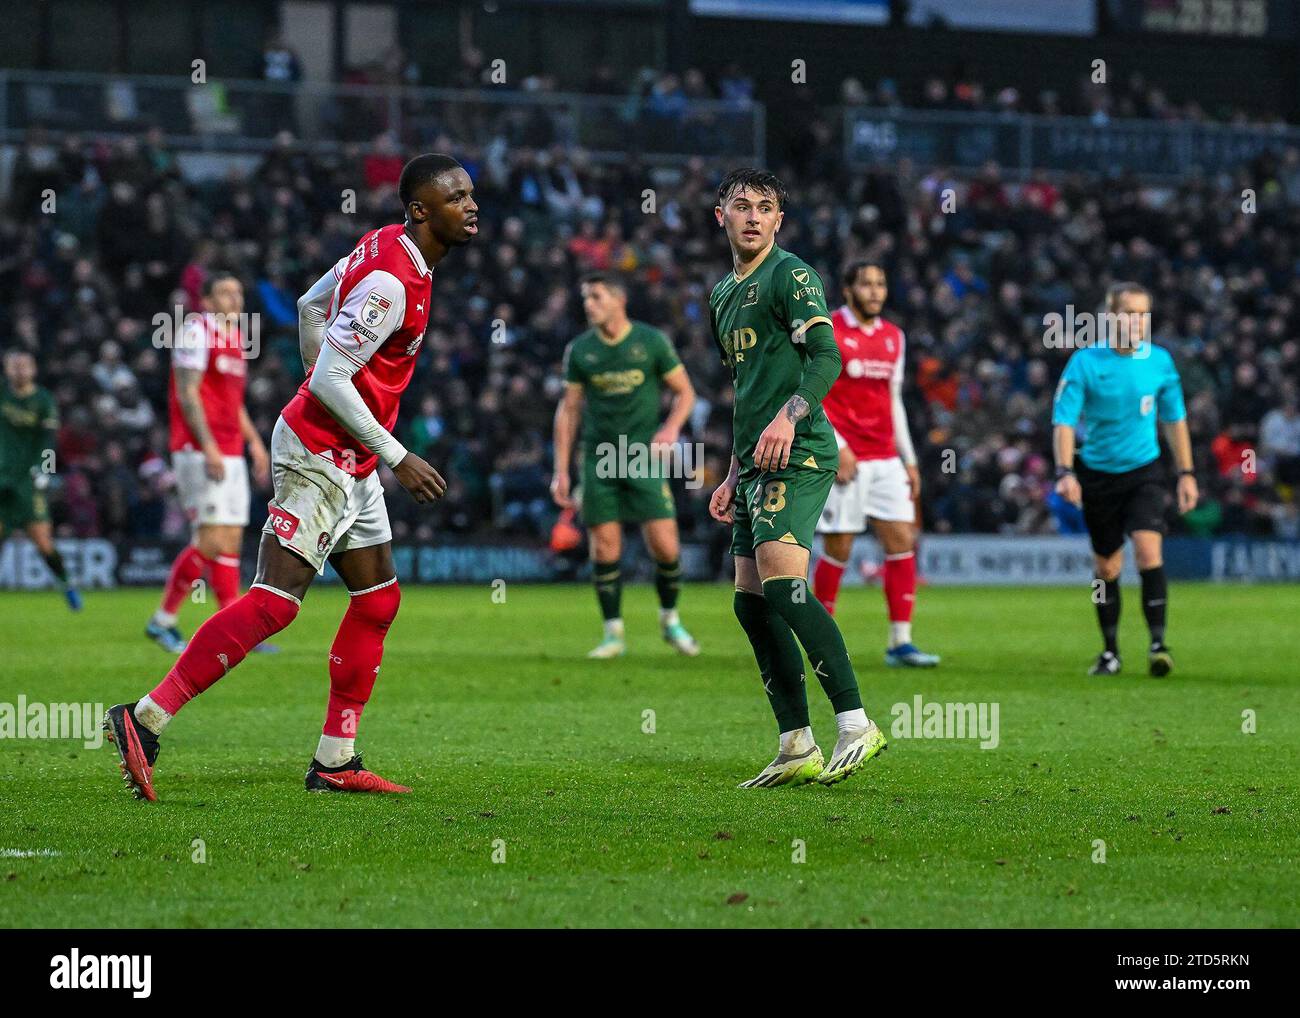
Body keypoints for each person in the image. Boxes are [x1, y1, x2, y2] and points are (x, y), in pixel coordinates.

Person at [103, 154, 478, 800]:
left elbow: (311, 304)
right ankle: (142, 719)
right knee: (276, 602)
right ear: (421, 211)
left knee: (378, 598)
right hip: (320, 453)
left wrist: (335, 402)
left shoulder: (388, 246)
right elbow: (332, 374)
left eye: (471, 194)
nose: (472, 205)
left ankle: (335, 760)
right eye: (456, 197)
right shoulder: (391, 281)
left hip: (348, 452)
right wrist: (397, 454)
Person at [706, 168, 887, 788]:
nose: (753, 216)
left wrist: (790, 416)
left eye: (766, 208)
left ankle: (857, 723)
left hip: (802, 449)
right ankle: (794, 744)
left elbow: (827, 356)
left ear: (779, 220)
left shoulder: (792, 274)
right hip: (756, 462)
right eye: (741, 206)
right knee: (750, 604)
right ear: (720, 216)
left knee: (786, 589)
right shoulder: (722, 296)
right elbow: (743, 389)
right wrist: (733, 471)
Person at [1052, 282, 1197, 677]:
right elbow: (1064, 421)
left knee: (1149, 552)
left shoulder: (1160, 362)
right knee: (1108, 569)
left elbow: (1174, 420)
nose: (1134, 322)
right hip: (1097, 474)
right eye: (1126, 313)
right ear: (1109, 317)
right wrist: (1065, 471)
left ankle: (1158, 644)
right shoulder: (1085, 362)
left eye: (1140, 315)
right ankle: (1111, 651)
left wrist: (1186, 473)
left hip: (1144, 471)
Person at [551, 273, 700, 658]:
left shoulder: (651, 342)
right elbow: (568, 411)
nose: (589, 304)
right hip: (598, 459)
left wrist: (670, 430)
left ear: (619, 300)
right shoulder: (580, 350)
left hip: (642, 458)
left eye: (597, 297)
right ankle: (613, 633)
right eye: (586, 298)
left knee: (666, 548)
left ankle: (670, 620)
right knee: (605, 548)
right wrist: (562, 469)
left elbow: (685, 393)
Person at [811, 261, 939, 667]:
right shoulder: (827, 329)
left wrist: (910, 459)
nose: (874, 291)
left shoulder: (894, 338)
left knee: (901, 541)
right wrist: (838, 447)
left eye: (880, 284)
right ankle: (819, 643)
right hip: (847, 457)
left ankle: (900, 642)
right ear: (848, 290)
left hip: (886, 456)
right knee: (840, 546)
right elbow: (812, 392)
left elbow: (894, 399)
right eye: (865, 284)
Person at [145, 273, 271, 653]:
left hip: (230, 448)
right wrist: (210, 446)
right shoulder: (195, 333)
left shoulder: (235, 339)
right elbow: (187, 393)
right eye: (224, 293)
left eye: (238, 291)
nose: (234, 299)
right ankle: (162, 620)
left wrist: (254, 442)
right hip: (199, 450)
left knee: (230, 538)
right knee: (211, 539)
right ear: (207, 300)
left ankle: (230, 627)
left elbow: (233, 402)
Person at [0, 349, 82, 610]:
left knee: (43, 542)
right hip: (2, 477)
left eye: (24, 366)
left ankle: (66, 583)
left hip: (28, 480)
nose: (19, 371)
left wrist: (45, 469)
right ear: (7, 368)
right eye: (14, 366)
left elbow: (49, 439)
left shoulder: (43, 400)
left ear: (33, 369)